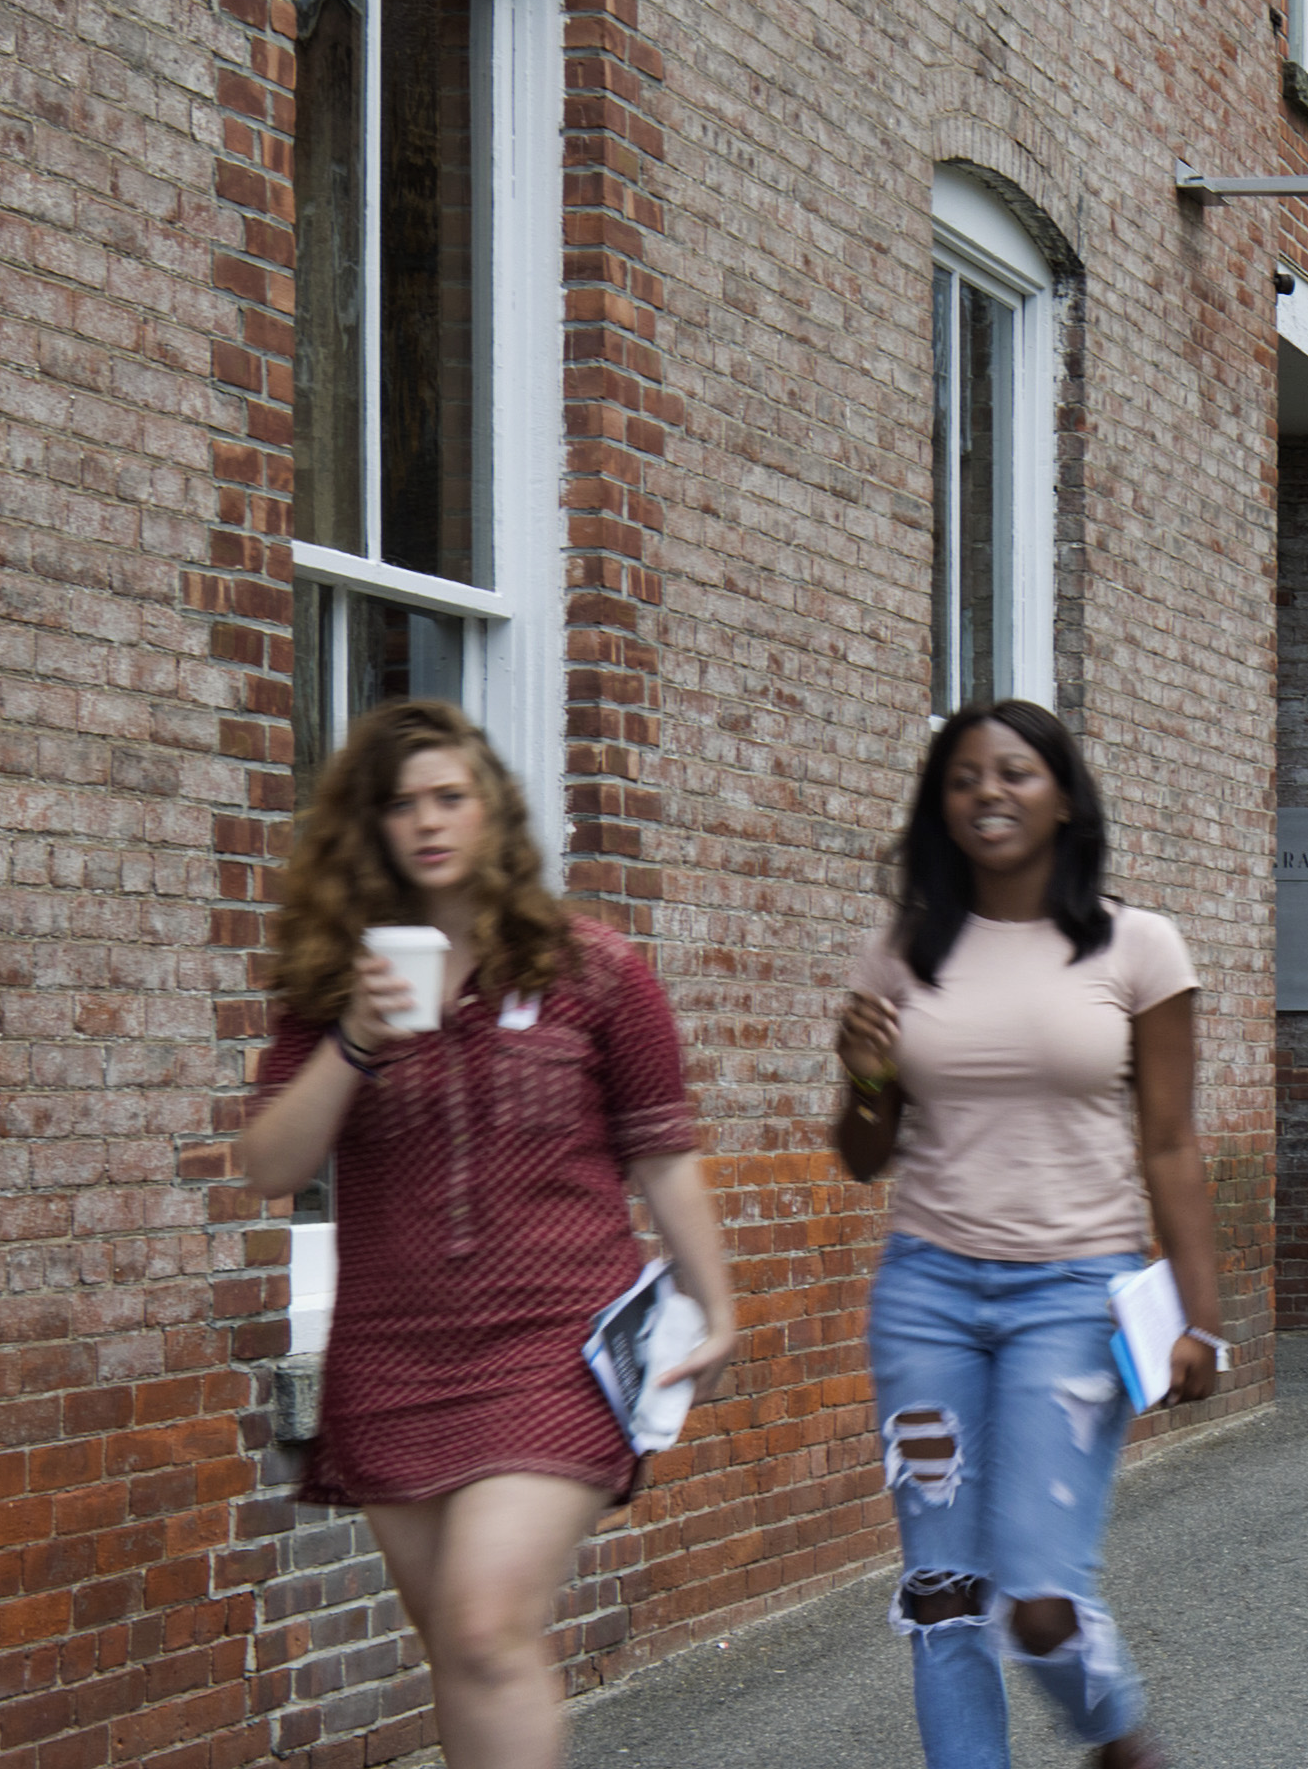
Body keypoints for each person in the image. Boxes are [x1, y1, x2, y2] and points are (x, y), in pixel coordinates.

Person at [230, 704, 738, 1769]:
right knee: (459, 1653)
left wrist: (718, 1303)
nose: (426, 820)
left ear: (492, 809)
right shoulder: (334, 982)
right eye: (399, 803)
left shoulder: (592, 970)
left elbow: (662, 1151)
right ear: (366, 828)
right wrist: (356, 1041)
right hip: (392, 1356)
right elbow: (272, 1165)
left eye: (448, 796)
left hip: (557, 1346)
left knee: (483, 1626)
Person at [833, 701, 1225, 1769]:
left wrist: (1201, 1317)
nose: (988, 793)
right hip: (927, 1295)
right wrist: (864, 1074)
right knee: (945, 1594)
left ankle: (1116, 1736)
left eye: (1015, 772)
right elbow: (863, 1151)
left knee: (1040, 1595)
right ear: (939, 804)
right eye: (964, 777)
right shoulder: (906, 949)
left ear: (1063, 798)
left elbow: (1172, 1145)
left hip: (1074, 1296)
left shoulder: (1136, 946)